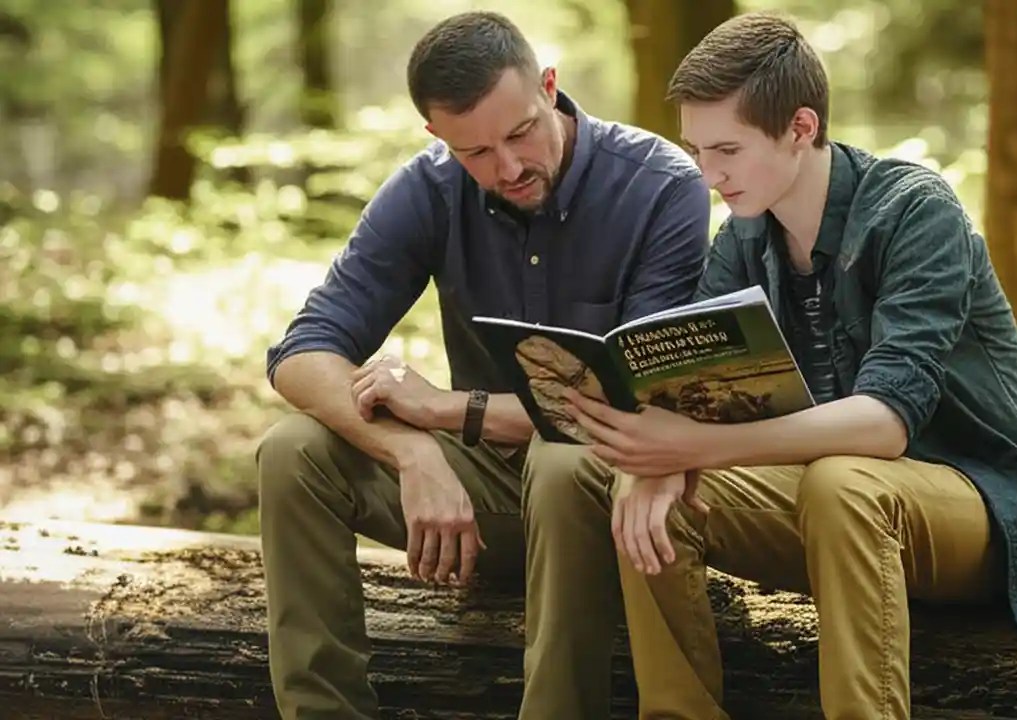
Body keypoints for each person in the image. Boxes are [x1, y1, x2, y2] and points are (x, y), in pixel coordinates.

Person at [526, 11, 1017, 720]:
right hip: (837, 516)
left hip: (985, 512)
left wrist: (697, 446)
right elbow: (686, 398)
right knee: (650, 492)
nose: (708, 175)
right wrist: (656, 460)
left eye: (727, 150)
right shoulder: (743, 238)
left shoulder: (916, 211)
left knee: (841, 481)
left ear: (800, 128)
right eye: (696, 151)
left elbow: (886, 425)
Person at [255, 10, 710, 719]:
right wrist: (409, 452)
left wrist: (443, 409)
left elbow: (633, 407)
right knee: (292, 451)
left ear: (550, 88)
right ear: (438, 138)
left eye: (521, 132)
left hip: (610, 497)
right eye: (475, 152)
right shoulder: (429, 188)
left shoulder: (660, 185)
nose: (509, 167)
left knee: (564, 461)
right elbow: (300, 353)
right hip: (489, 489)